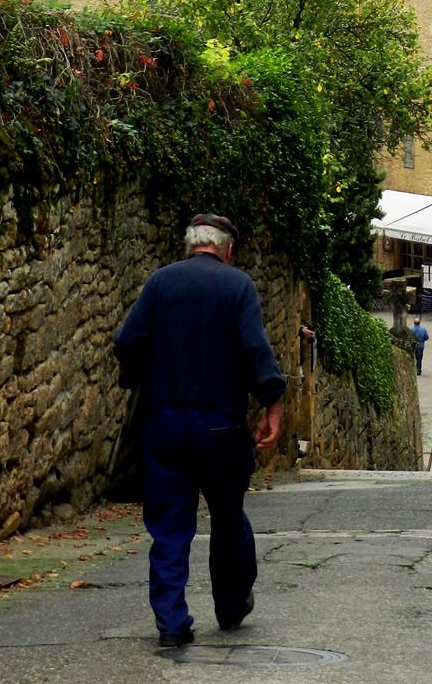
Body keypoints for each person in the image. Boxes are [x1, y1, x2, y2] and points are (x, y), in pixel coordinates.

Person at [113, 213, 286, 649]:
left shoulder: (159, 283)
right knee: (228, 515)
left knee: (169, 525)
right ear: (227, 249)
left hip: (164, 420)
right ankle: (230, 606)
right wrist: (272, 403)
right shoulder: (238, 286)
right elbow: (254, 349)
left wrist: (144, 378)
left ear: (190, 245)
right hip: (220, 424)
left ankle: (172, 623)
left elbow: (126, 342)